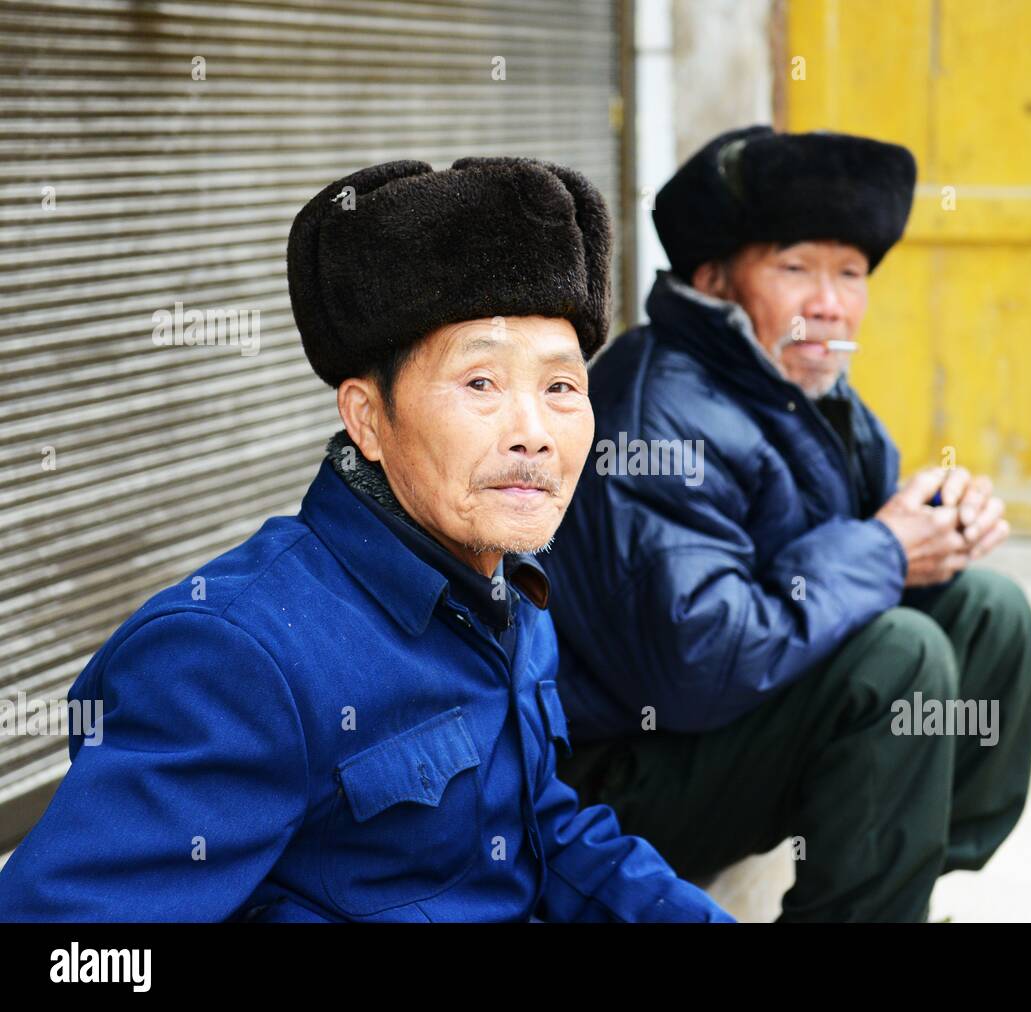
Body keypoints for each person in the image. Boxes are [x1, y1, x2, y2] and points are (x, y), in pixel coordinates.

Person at [0, 157, 734, 923]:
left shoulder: (507, 590)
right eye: (480, 384)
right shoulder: (234, 658)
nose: (534, 434)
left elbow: (543, 831)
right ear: (368, 420)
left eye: (560, 388)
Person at [545, 126, 1031, 922]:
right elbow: (696, 658)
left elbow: (862, 543)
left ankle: (895, 889)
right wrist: (885, 548)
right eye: (796, 267)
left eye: (850, 273)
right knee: (900, 658)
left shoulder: (801, 388)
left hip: (726, 732)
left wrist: (941, 524)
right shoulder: (656, 410)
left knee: (988, 614)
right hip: (621, 779)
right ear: (714, 280)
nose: (832, 302)